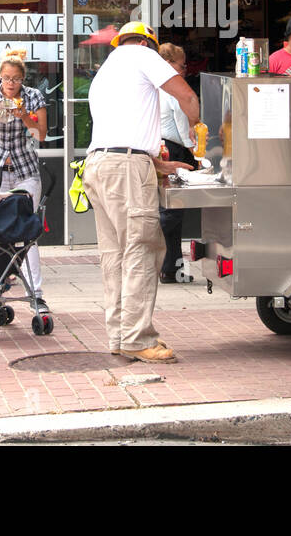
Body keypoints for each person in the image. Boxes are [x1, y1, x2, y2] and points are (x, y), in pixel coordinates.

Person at [84, 21, 198, 364]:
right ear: (148, 43)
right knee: (142, 251)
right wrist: (196, 127)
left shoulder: (106, 69)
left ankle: (119, 336)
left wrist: (157, 165)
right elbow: (187, 96)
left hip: (99, 165)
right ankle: (137, 338)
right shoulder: (143, 56)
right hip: (125, 170)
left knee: (115, 255)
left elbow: (122, 129)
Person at [0, 54, 49, 312]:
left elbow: (41, 134)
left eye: (16, 79)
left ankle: (36, 293)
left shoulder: (34, 97)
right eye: (6, 78)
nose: (11, 83)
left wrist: (24, 116)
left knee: (27, 231)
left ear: (23, 79)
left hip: (25, 169)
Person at [156, 43, 198, 284]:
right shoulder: (174, 90)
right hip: (172, 151)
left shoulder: (153, 87)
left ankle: (171, 267)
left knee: (169, 209)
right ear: (169, 64)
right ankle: (166, 263)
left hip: (157, 148)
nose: (184, 70)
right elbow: (185, 131)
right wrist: (200, 157)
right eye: (182, 65)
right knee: (172, 211)